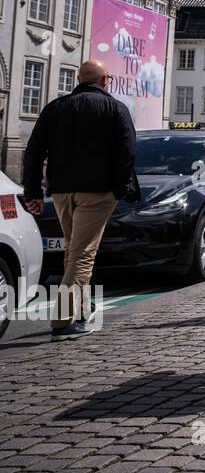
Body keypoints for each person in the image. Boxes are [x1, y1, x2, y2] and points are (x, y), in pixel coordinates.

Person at [22, 60, 137, 338]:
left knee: (73, 251)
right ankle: (62, 321)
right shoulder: (114, 108)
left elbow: (33, 152)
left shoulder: (55, 109)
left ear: (79, 80)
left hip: (61, 191)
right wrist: (119, 188)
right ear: (104, 80)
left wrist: (34, 193)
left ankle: (82, 309)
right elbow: (128, 151)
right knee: (83, 255)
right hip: (97, 192)